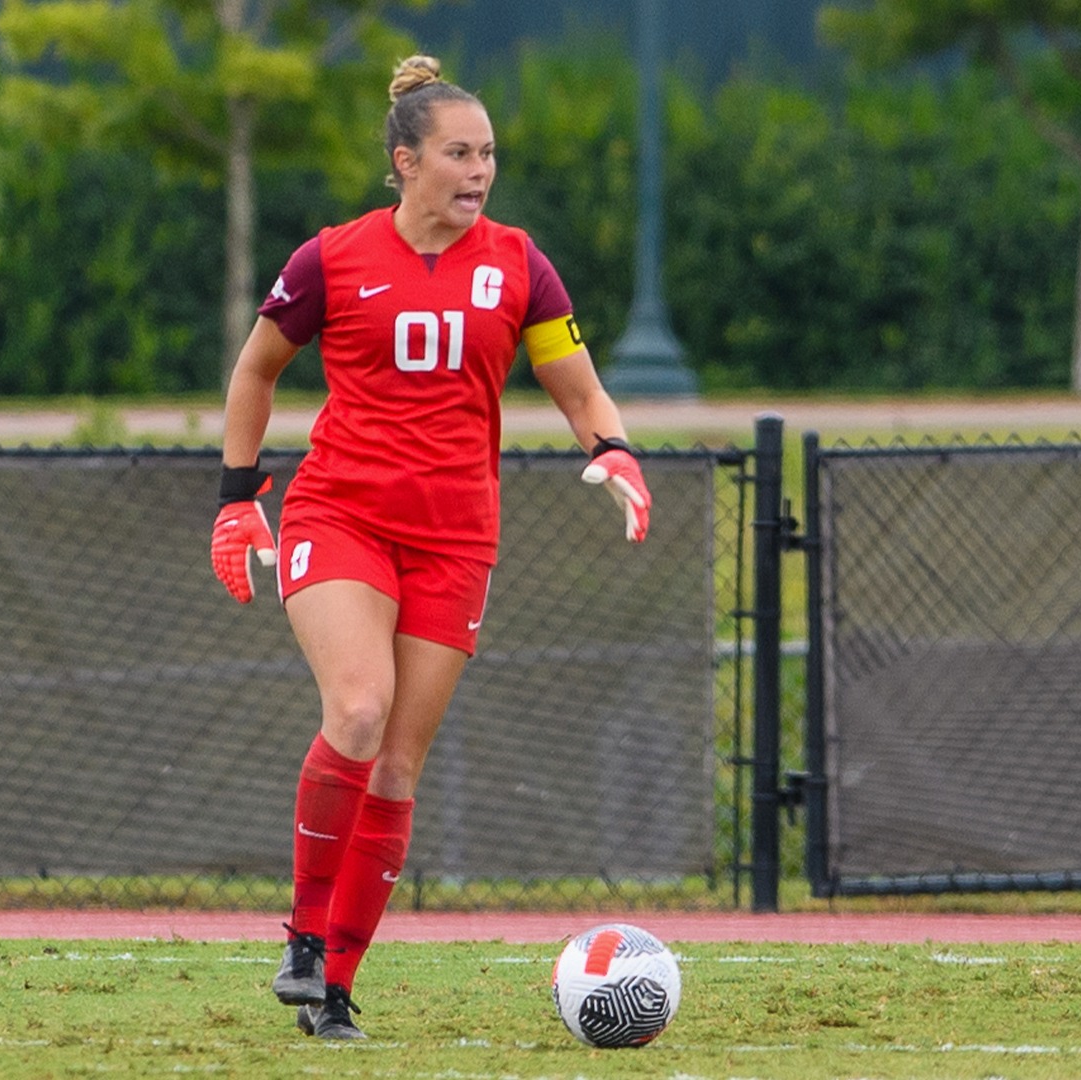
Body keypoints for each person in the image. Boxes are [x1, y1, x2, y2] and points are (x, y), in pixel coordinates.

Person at [207, 54, 651, 1041]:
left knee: (398, 767)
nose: (479, 169)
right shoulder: (332, 258)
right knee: (357, 711)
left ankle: (333, 993)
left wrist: (615, 450)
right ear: (405, 162)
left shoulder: (521, 264)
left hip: (455, 539)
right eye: (458, 152)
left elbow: (576, 387)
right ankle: (304, 937)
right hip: (343, 515)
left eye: (488, 153)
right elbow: (254, 373)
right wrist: (237, 502)